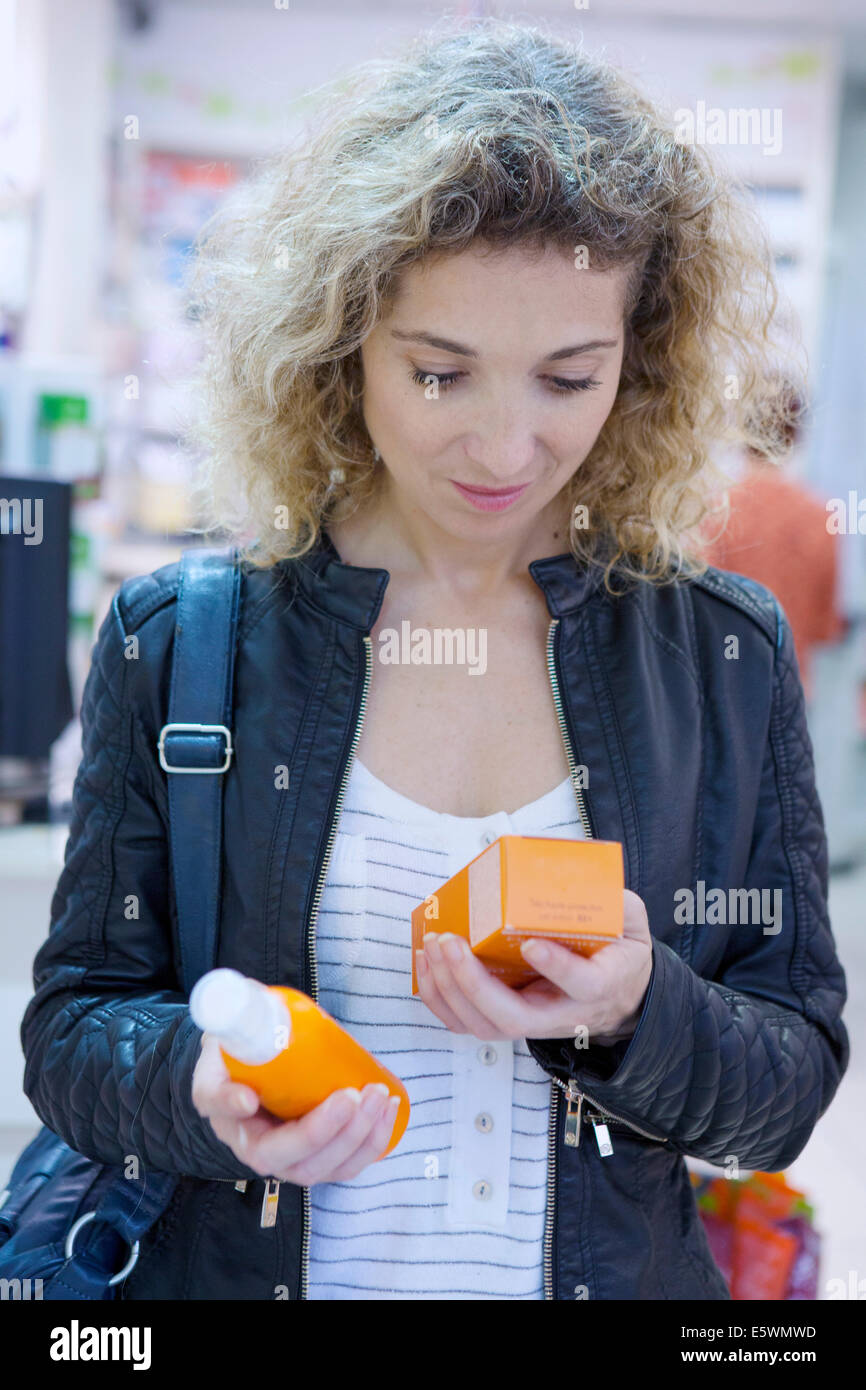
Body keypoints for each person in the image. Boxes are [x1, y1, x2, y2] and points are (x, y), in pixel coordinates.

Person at [21, 18, 848, 1300]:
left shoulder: (717, 654)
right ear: (343, 342)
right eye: (441, 372)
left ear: (637, 365)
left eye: (566, 377)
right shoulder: (186, 643)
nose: (506, 447)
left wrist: (636, 1009)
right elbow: (76, 1032)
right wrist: (196, 1078)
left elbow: (783, 1088)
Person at [701, 385, 845, 701]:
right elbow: (826, 628)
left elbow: (700, 612)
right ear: (796, 433)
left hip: (727, 685)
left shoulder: (716, 510)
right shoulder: (820, 517)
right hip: (790, 688)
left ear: (743, 428)